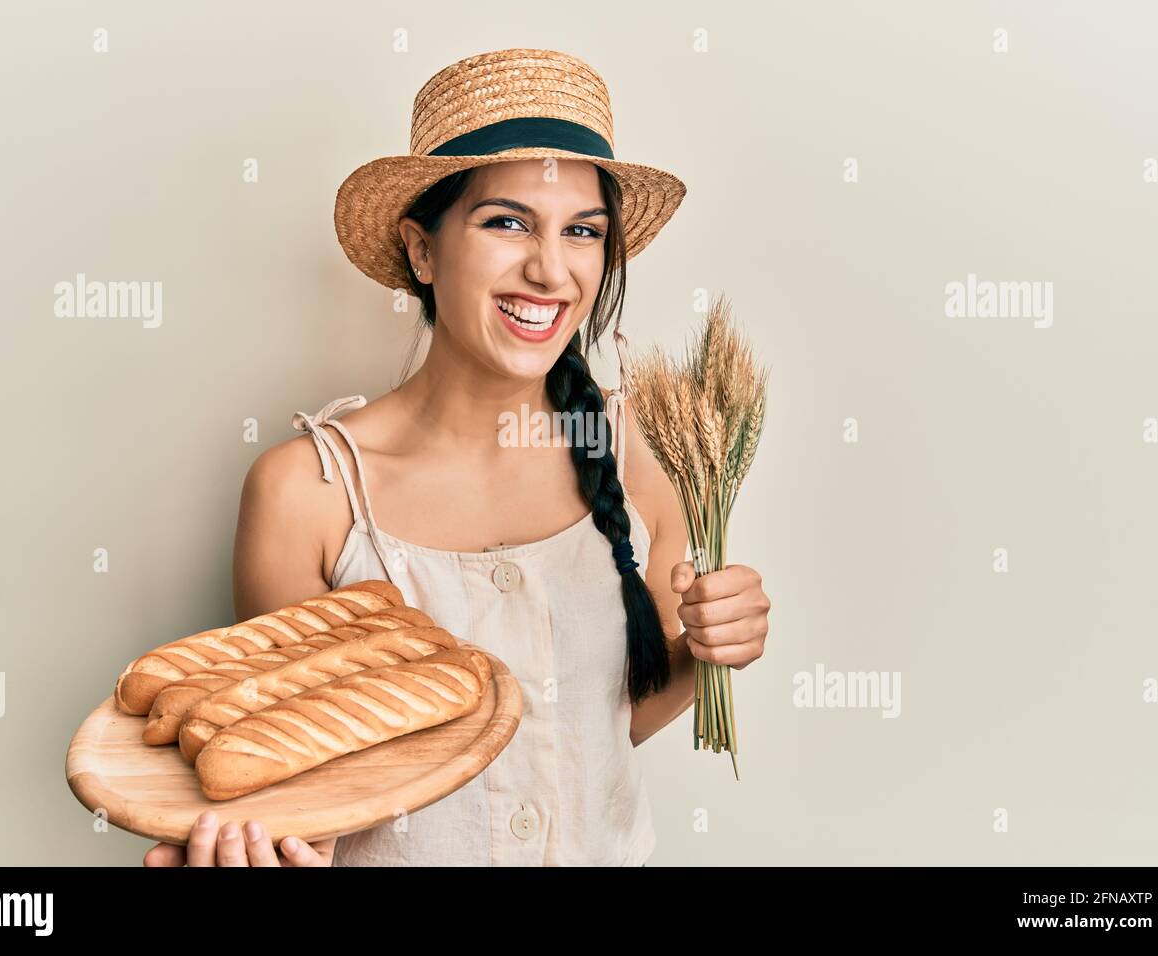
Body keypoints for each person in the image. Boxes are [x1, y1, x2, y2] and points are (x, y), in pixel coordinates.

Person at [145, 47, 770, 867]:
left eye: (582, 231)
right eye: (507, 222)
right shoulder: (310, 492)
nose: (550, 269)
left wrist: (706, 646)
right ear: (422, 250)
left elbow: (609, 719)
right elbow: (303, 778)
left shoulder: (641, 457)